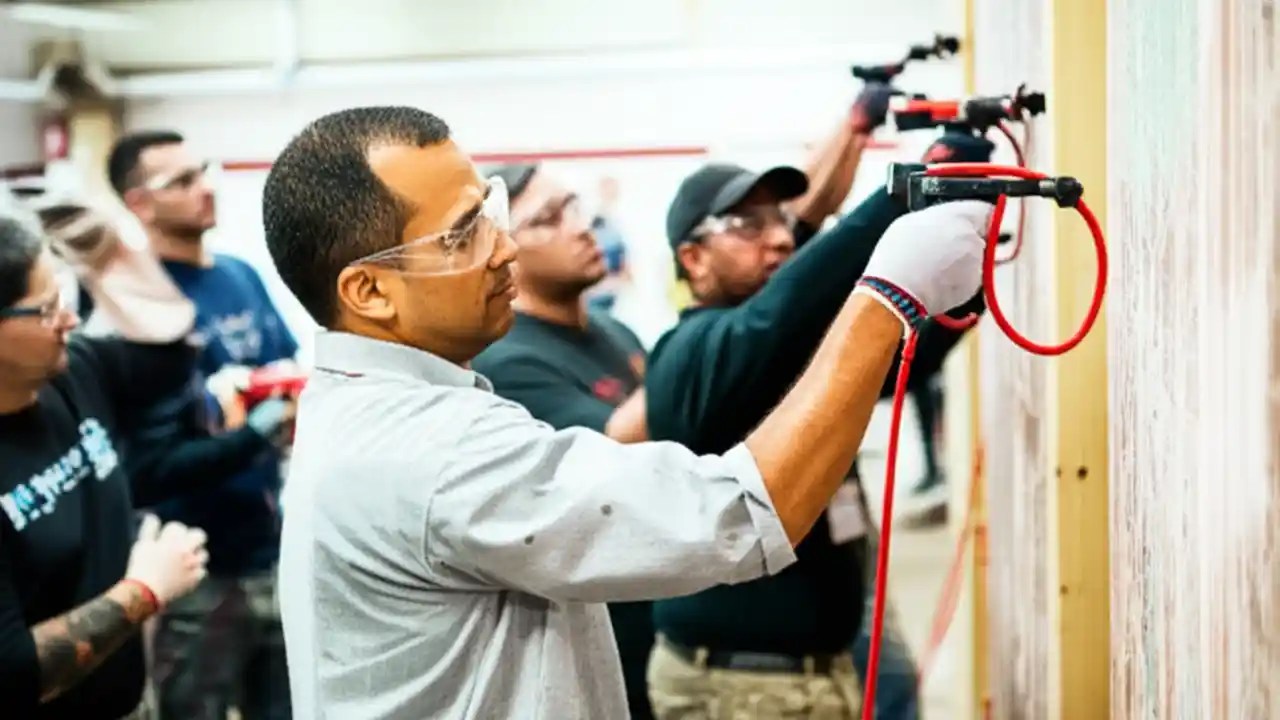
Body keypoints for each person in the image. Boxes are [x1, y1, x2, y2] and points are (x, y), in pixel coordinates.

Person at [264, 105, 989, 719]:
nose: (504, 244)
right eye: (462, 234)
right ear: (367, 293)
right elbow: (738, 516)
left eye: (490, 212)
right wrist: (886, 297)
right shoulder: (429, 449)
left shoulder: (368, 401)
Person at [643, 145, 987, 716]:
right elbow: (776, 317)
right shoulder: (687, 358)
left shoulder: (774, 356)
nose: (778, 237)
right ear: (694, 259)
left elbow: (897, 363)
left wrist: (975, 280)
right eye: (746, 225)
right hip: (741, 687)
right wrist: (897, 199)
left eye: (779, 219)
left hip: (810, 676)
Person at [108, 131, 298, 719]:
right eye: (182, 181)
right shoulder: (133, 302)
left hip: (272, 547)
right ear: (139, 203)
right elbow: (147, 466)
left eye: (204, 171)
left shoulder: (240, 274)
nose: (204, 188)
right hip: (196, 568)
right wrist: (256, 428)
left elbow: (280, 365)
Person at [0, 211, 210, 719]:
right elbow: (13, 673)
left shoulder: (72, 372)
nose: (69, 320)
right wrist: (144, 591)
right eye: (48, 309)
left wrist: (117, 252)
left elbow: (177, 350)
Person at [471, 164, 652, 717]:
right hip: (602, 633)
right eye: (549, 219)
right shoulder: (506, 361)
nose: (580, 227)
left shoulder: (615, 334)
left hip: (656, 604)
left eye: (575, 207)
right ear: (500, 250)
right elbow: (615, 451)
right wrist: (703, 340)